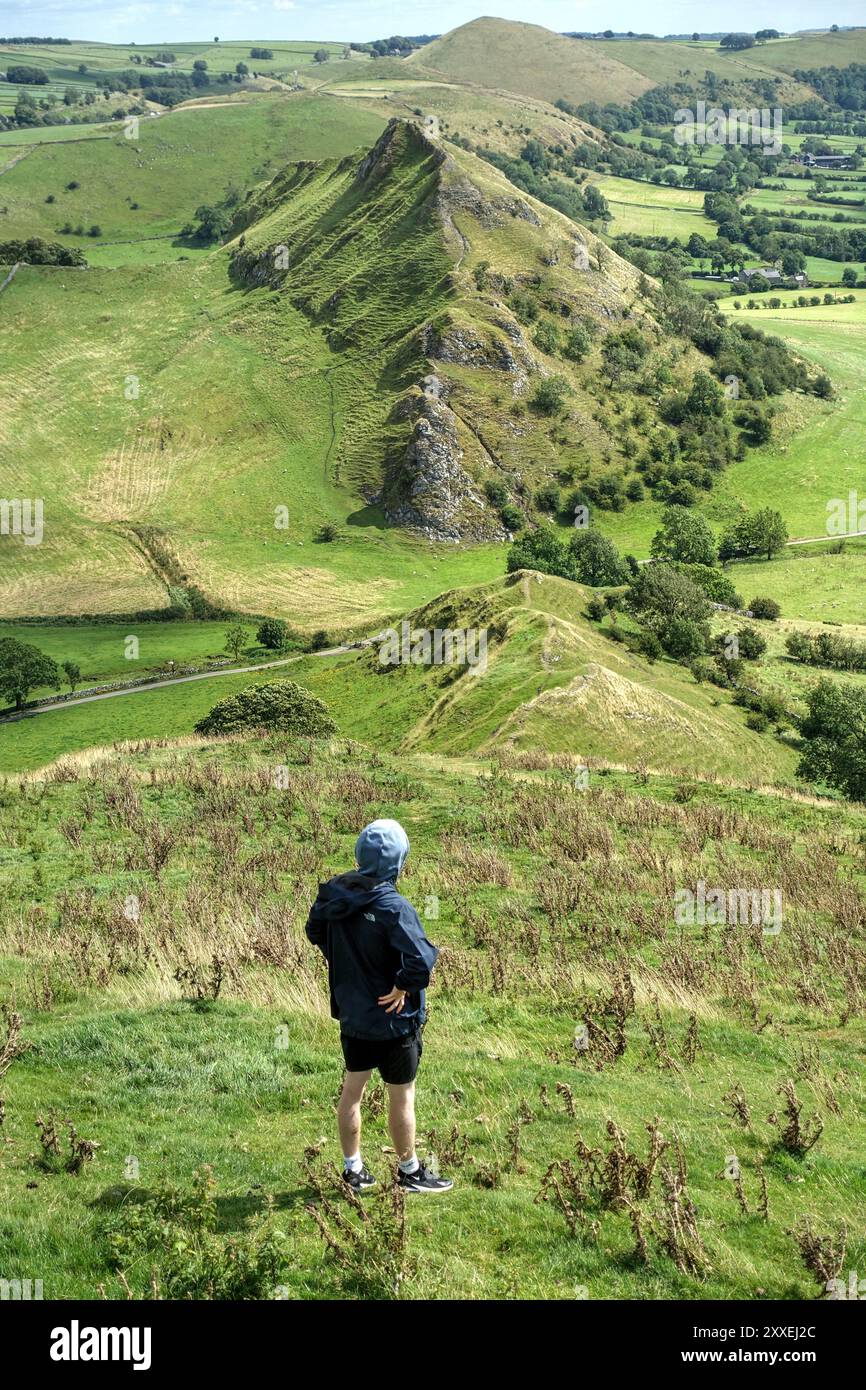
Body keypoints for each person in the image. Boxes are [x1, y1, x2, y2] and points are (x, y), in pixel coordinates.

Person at [305, 818, 452, 1194]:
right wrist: (402, 985)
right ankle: (409, 1171)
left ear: (358, 854)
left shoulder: (333, 893)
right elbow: (421, 959)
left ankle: (353, 1170)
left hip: (353, 1015)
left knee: (351, 1092)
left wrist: (341, 963)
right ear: (398, 864)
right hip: (393, 1020)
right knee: (401, 1096)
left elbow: (314, 931)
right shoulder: (393, 906)